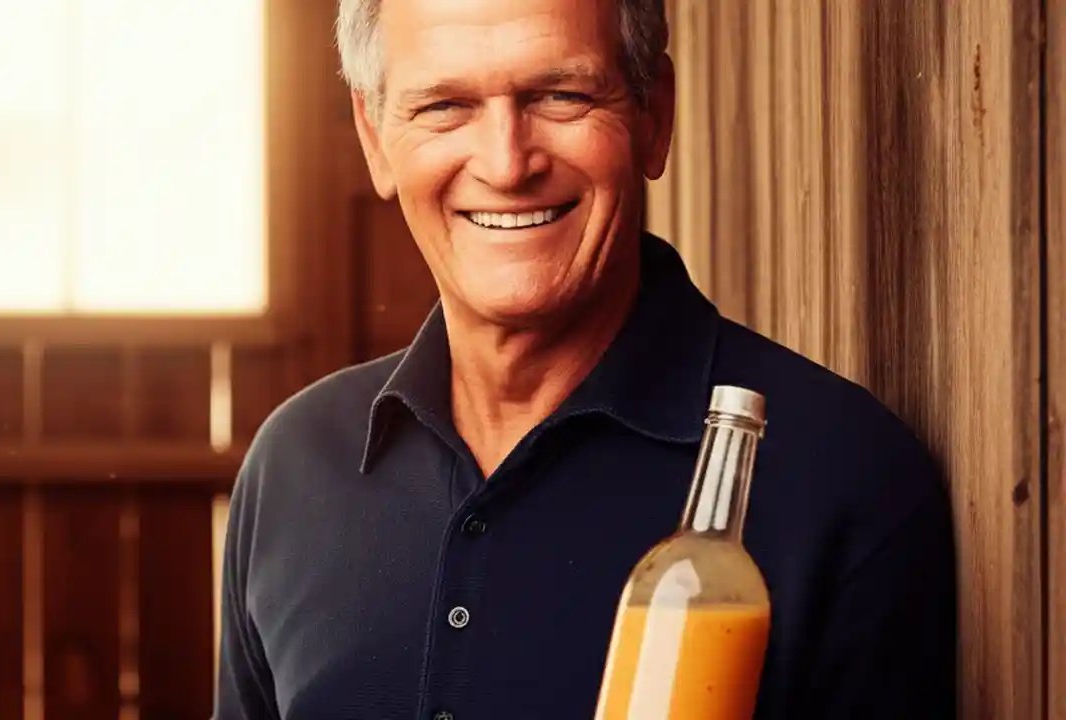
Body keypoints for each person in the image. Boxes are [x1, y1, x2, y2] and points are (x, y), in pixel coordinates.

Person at [215, 0, 956, 717]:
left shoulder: (842, 477)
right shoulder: (293, 467)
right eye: (445, 106)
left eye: (561, 95)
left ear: (653, 116)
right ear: (375, 136)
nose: (507, 164)